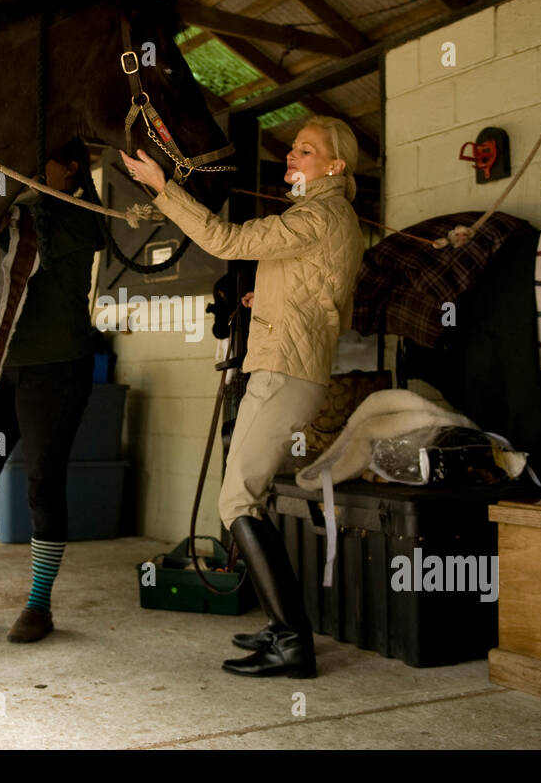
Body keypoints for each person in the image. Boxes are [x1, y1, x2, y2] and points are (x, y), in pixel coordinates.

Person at [121, 116, 365, 678]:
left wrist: (164, 189)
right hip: (294, 372)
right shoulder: (337, 221)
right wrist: (272, 295)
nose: (292, 157)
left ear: (335, 167)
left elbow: (226, 240)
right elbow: (333, 304)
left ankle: (293, 641)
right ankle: (283, 630)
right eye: (293, 149)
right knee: (246, 499)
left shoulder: (316, 213)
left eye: (307, 151)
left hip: (283, 373)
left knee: (237, 502)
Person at [0, 138, 104, 643]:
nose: (27, 170)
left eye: (42, 161)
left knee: (42, 484)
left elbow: (39, 236)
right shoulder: (12, 213)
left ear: (72, 168)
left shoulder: (80, 216)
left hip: (56, 370)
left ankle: (40, 605)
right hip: (0, 367)